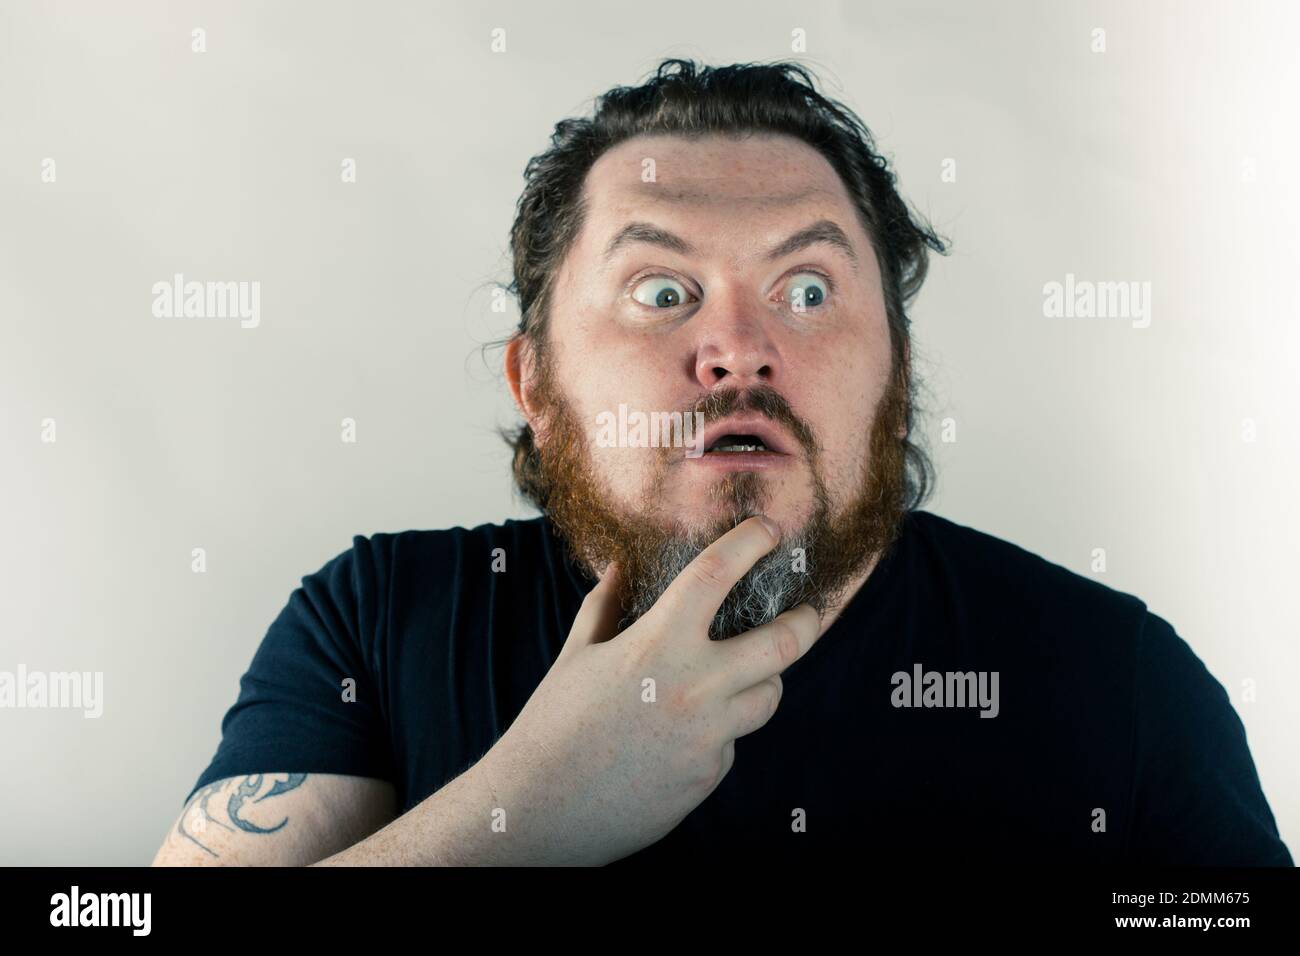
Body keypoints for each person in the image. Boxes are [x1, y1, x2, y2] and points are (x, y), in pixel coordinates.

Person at [151, 59, 1291, 867]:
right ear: (533, 387)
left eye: (807, 290)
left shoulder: (1121, 681)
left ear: (894, 376)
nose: (740, 347)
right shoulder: (372, 623)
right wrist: (518, 810)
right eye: (661, 291)